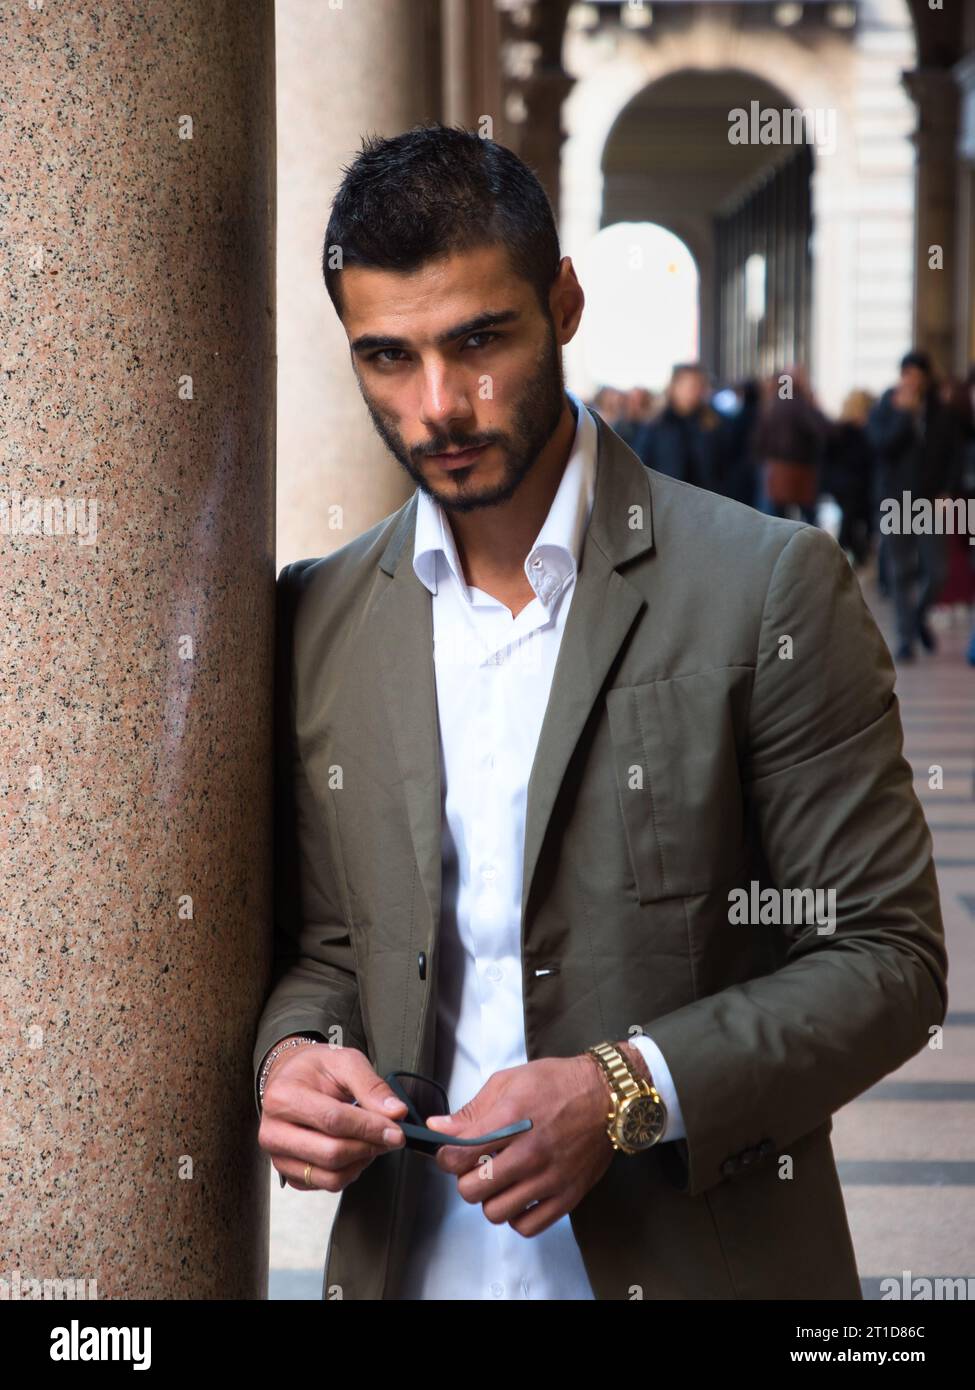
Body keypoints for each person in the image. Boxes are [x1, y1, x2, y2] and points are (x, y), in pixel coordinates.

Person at [253, 121, 946, 1301]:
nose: (442, 406)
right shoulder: (317, 617)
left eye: (481, 341)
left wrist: (629, 1088)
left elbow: (888, 957)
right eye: (388, 358)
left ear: (563, 301)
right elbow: (330, 944)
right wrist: (298, 1056)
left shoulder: (766, 583)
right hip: (405, 1270)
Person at [867, 350, 960, 662]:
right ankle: (906, 638)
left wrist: (948, 490)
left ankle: (918, 617)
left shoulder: (940, 411)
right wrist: (903, 416)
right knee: (901, 570)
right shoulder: (887, 406)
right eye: (908, 373)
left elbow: (953, 454)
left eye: (919, 374)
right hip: (895, 501)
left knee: (937, 572)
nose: (914, 380)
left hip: (929, 502)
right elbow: (881, 447)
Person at [753, 364, 830, 524]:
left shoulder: (772, 403)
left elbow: (759, 438)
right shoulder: (799, 403)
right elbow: (822, 429)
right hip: (796, 467)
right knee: (807, 519)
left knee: (773, 519)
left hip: (776, 466)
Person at [633, 363, 725, 492]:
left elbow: (724, 468)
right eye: (691, 386)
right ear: (675, 387)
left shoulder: (713, 423)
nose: (695, 392)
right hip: (668, 501)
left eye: (699, 386)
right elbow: (641, 465)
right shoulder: (656, 424)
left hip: (706, 502)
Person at [821, 389, 876, 568]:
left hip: (840, 485)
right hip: (855, 486)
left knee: (850, 522)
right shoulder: (862, 433)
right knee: (851, 523)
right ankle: (842, 557)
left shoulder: (836, 430)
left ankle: (853, 556)